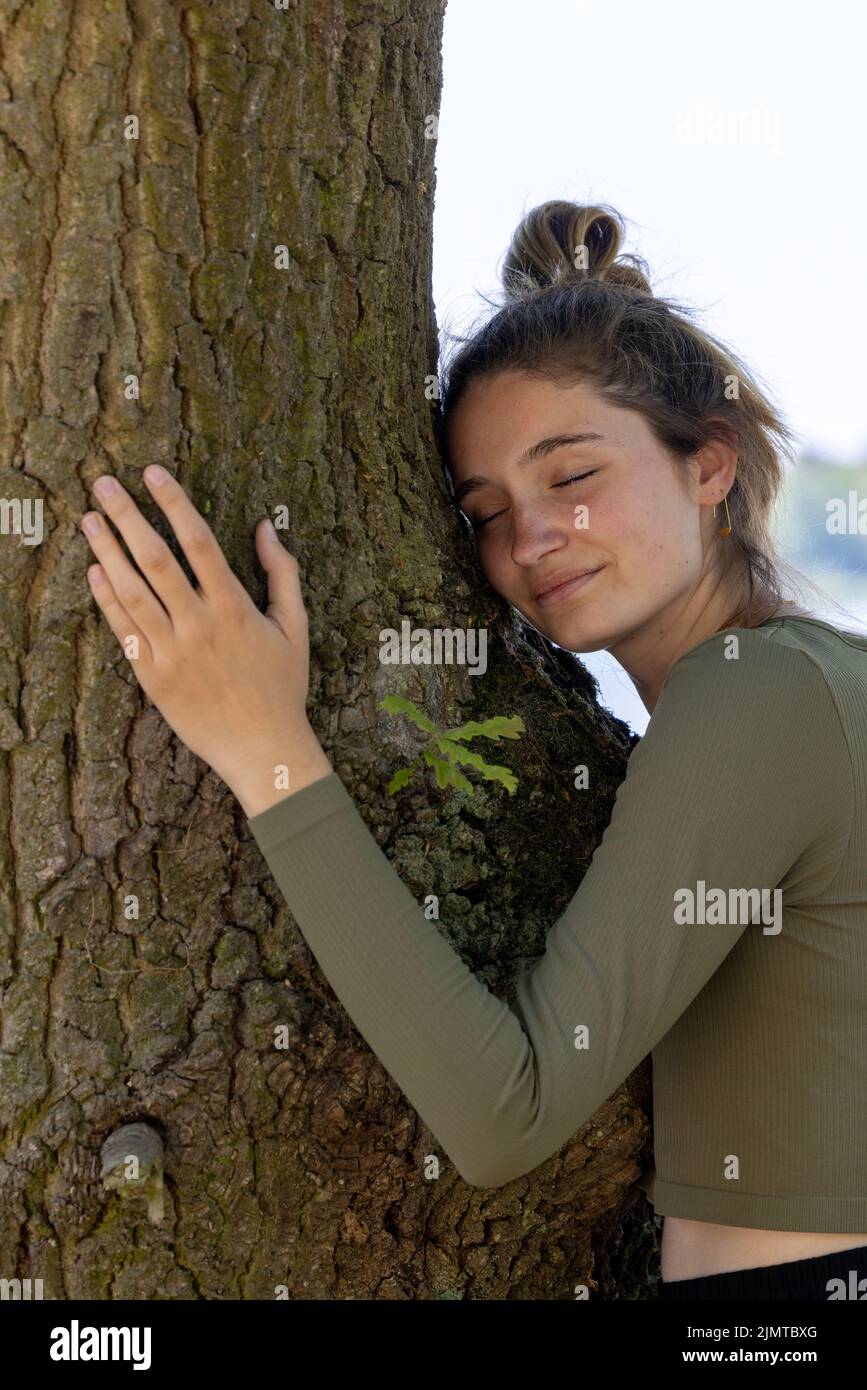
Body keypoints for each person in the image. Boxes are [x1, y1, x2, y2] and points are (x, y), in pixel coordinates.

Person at [79, 201, 867, 1302]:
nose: (530, 540)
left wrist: (267, 748)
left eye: (573, 477)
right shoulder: (812, 682)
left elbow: (510, 1112)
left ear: (710, 466)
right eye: (485, 511)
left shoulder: (759, 695)